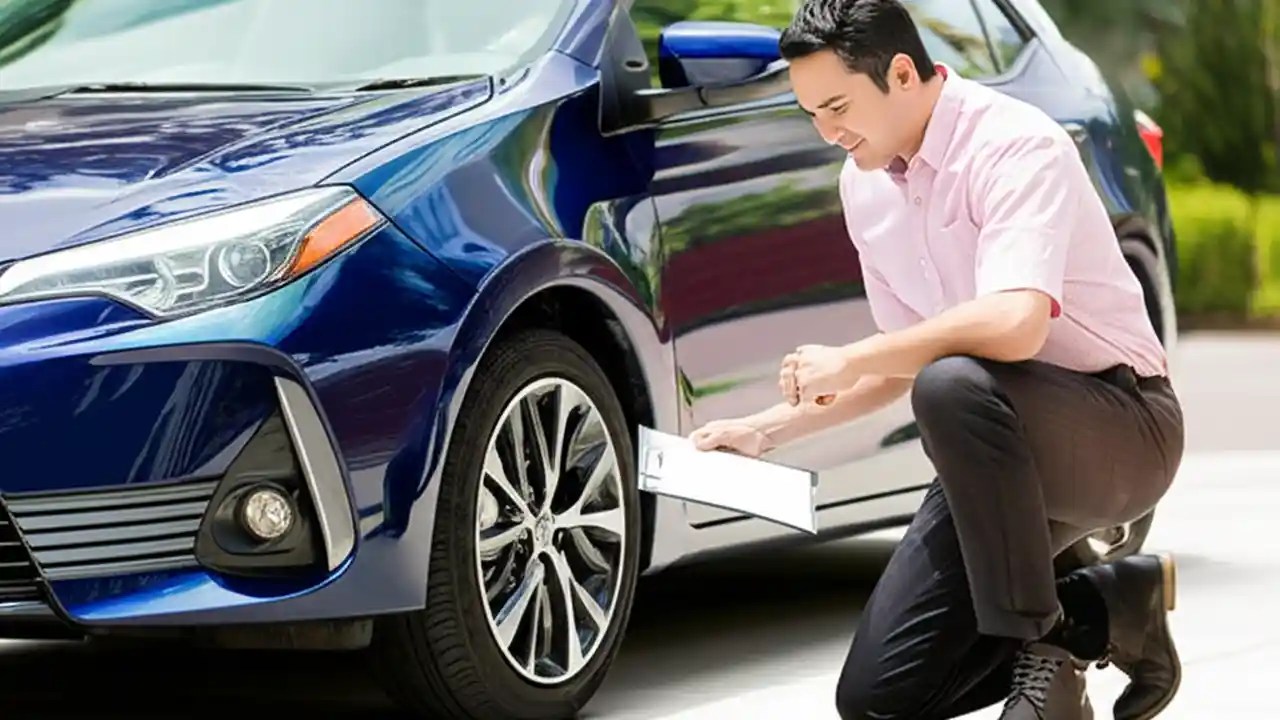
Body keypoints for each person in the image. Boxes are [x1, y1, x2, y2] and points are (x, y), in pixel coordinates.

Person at [687, 1, 1186, 719]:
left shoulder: (1016, 145)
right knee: (876, 700)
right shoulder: (864, 184)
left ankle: (1047, 667)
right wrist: (766, 430)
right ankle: (1107, 606)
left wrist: (851, 354)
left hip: (1123, 426)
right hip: (991, 450)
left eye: (837, 106)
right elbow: (897, 368)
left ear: (900, 73)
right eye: (811, 115)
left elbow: (1014, 326)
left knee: (950, 384)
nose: (828, 134)